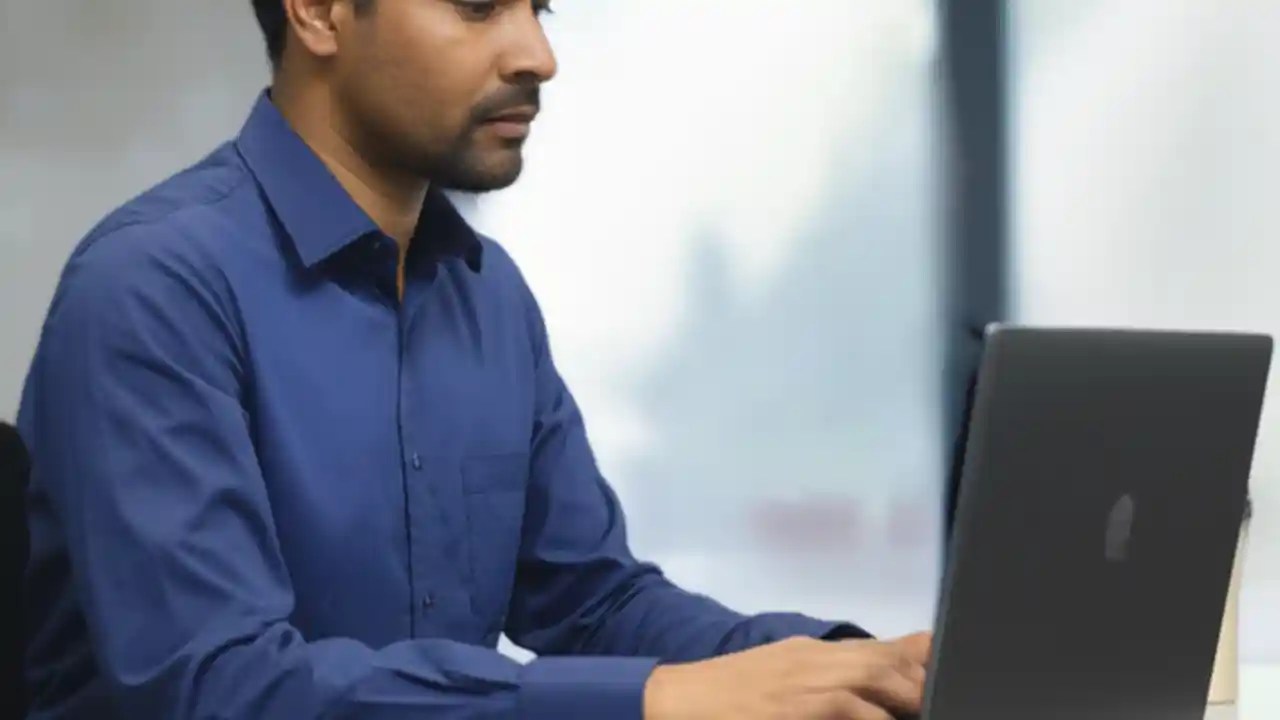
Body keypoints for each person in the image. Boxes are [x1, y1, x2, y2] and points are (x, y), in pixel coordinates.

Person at [16, 1, 932, 718]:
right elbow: (227, 690)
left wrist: (851, 668)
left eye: (541, 8)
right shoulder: (151, 288)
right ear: (320, 12)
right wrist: (655, 699)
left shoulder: (486, 295)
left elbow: (592, 605)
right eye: (478, 4)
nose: (539, 54)